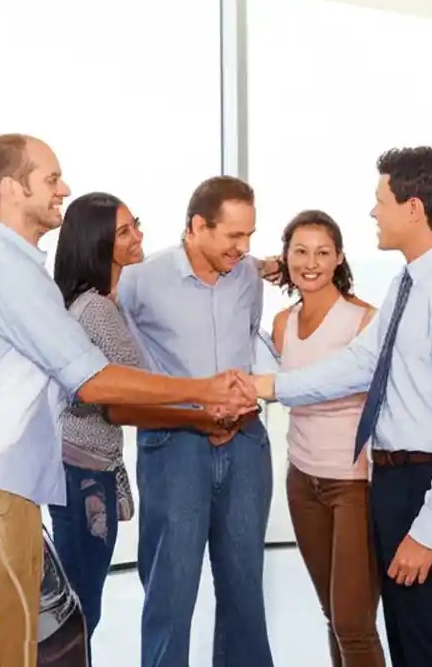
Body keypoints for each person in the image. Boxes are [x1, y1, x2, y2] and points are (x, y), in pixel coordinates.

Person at [0, 134, 256, 667]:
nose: (64, 189)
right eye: (51, 178)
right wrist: (202, 392)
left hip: (10, 483)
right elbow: (94, 382)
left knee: (20, 641)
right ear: (13, 188)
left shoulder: (8, 265)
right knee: (12, 646)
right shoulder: (3, 269)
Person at [253, 147, 432, 667]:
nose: (373, 212)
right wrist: (268, 387)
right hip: (391, 481)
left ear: (413, 208)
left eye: (381, 200)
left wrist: (429, 531)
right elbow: (359, 363)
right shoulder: (408, 284)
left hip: (424, 482)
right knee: (410, 643)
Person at [50, 192, 241, 657]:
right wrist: (200, 415)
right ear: (99, 244)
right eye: (124, 232)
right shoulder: (97, 309)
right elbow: (121, 406)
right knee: (81, 610)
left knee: (77, 606)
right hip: (84, 477)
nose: (138, 236)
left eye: (135, 224)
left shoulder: (97, 302)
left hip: (81, 470)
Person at [117, 175, 273, 667]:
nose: (244, 248)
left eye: (249, 236)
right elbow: (116, 357)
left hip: (246, 444)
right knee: (171, 589)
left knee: (245, 589)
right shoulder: (141, 280)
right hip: (174, 444)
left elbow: (249, 341)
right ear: (196, 226)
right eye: (233, 236)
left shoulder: (247, 276)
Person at [271, 209, 385, 667]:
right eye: (299, 251)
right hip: (303, 482)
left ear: (339, 258)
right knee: (332, 617)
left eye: (322, 251)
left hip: (354, 485)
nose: (310, 262)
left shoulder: (364, 321)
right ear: (285, 258)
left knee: (355, 626)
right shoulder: (282, 323)